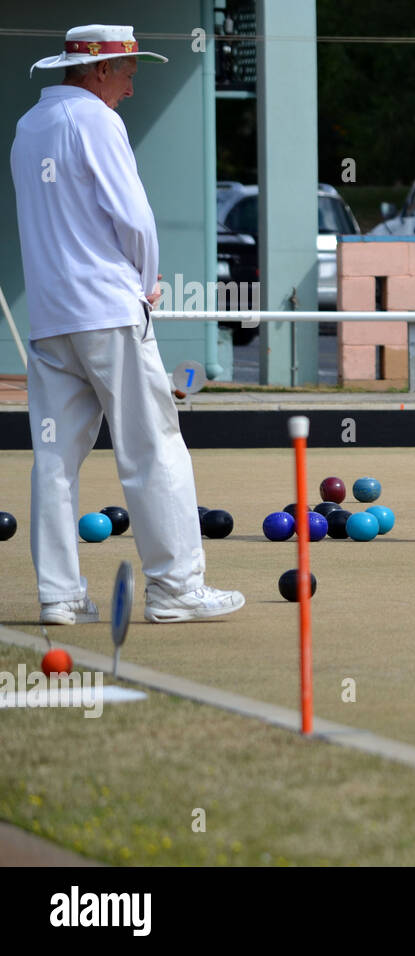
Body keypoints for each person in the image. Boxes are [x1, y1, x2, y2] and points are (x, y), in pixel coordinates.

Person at [12, 24, 244, 624]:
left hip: (49, 316)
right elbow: (135, 218)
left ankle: (60, 597)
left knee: (54, 458)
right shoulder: (96, 120)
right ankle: (175, 590)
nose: (132, 87)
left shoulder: (28, 126)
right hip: (109, 309)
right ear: (98, 71)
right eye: (128, 73)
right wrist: (146, 285)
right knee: (154, 446)